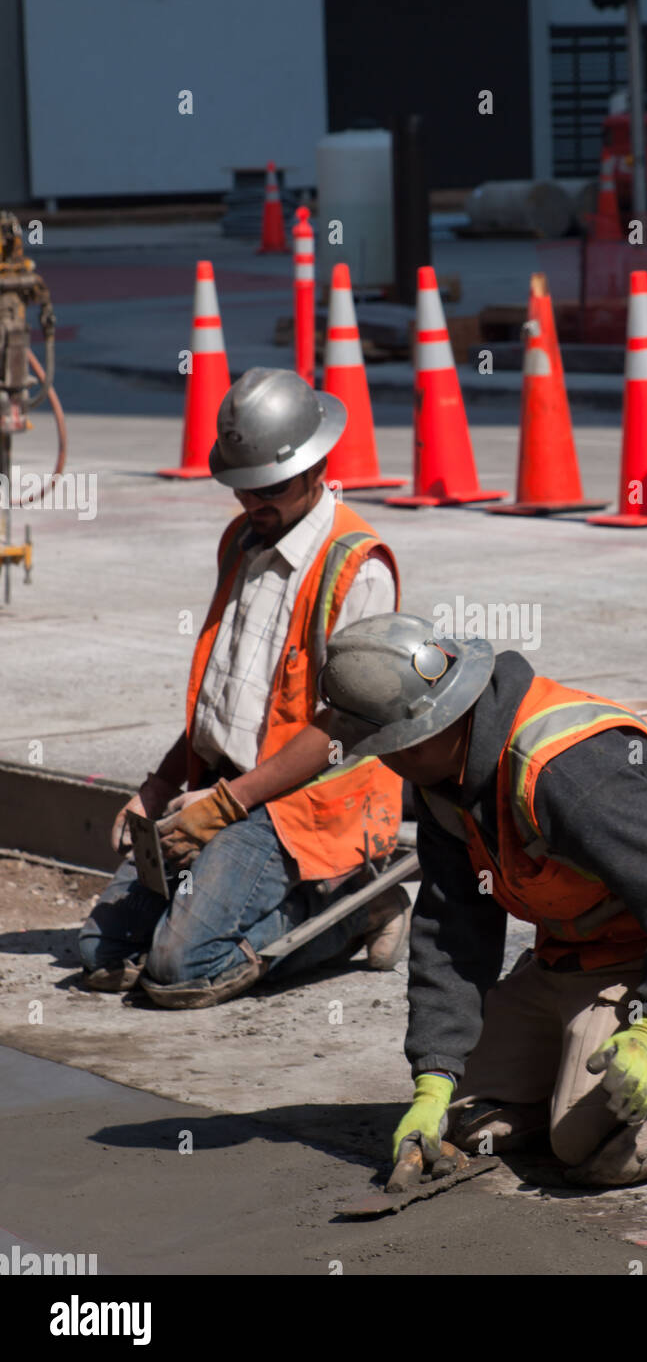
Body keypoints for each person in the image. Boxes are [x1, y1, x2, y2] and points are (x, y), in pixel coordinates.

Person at [319, 611, 647, 1186]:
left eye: (380, 748)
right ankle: (571, 1060)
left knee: (595, 1146)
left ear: (414, 739)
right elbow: (453, 929)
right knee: (469, 1118)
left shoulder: (563, 772)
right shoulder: (447, 784)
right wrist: (433, 1078)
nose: (382, 762)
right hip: (577, 957)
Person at [78, 368, 408, 1008]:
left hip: (301, 801)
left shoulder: (357, 567)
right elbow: (220, 701)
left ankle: (356, 909)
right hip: (227, 785)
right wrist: (159, 789)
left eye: (272, 487)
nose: (255, 502)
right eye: (242, 488)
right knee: (104, 955)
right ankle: (227, 898)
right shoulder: (242, 543)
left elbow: (345, 725)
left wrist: (230, 806)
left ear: (318, 468)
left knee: (181, 971)